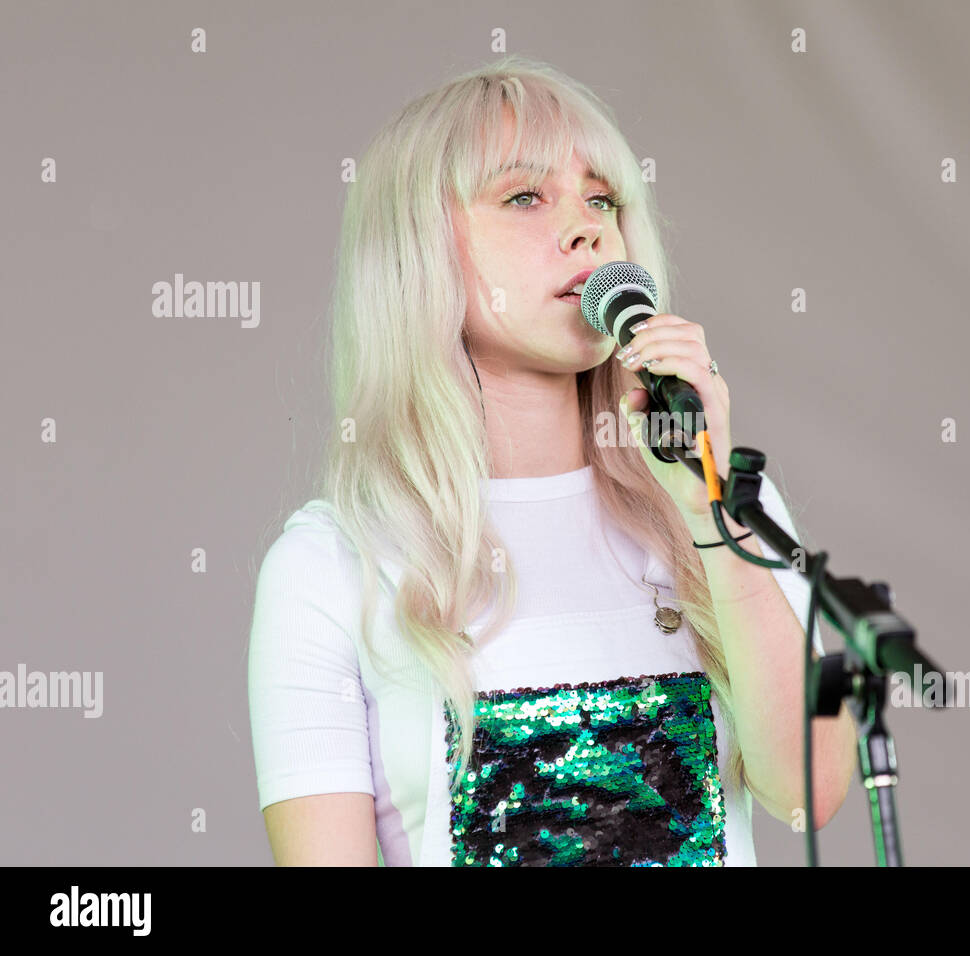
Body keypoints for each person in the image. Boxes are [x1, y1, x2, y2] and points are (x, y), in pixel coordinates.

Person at [247, 55, 858, 867]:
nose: (587, 227)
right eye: (525, 196)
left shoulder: (724, 500)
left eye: (602, 198)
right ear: (418, 249)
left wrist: (708, 508)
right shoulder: (330, 565)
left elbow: (808, 792)